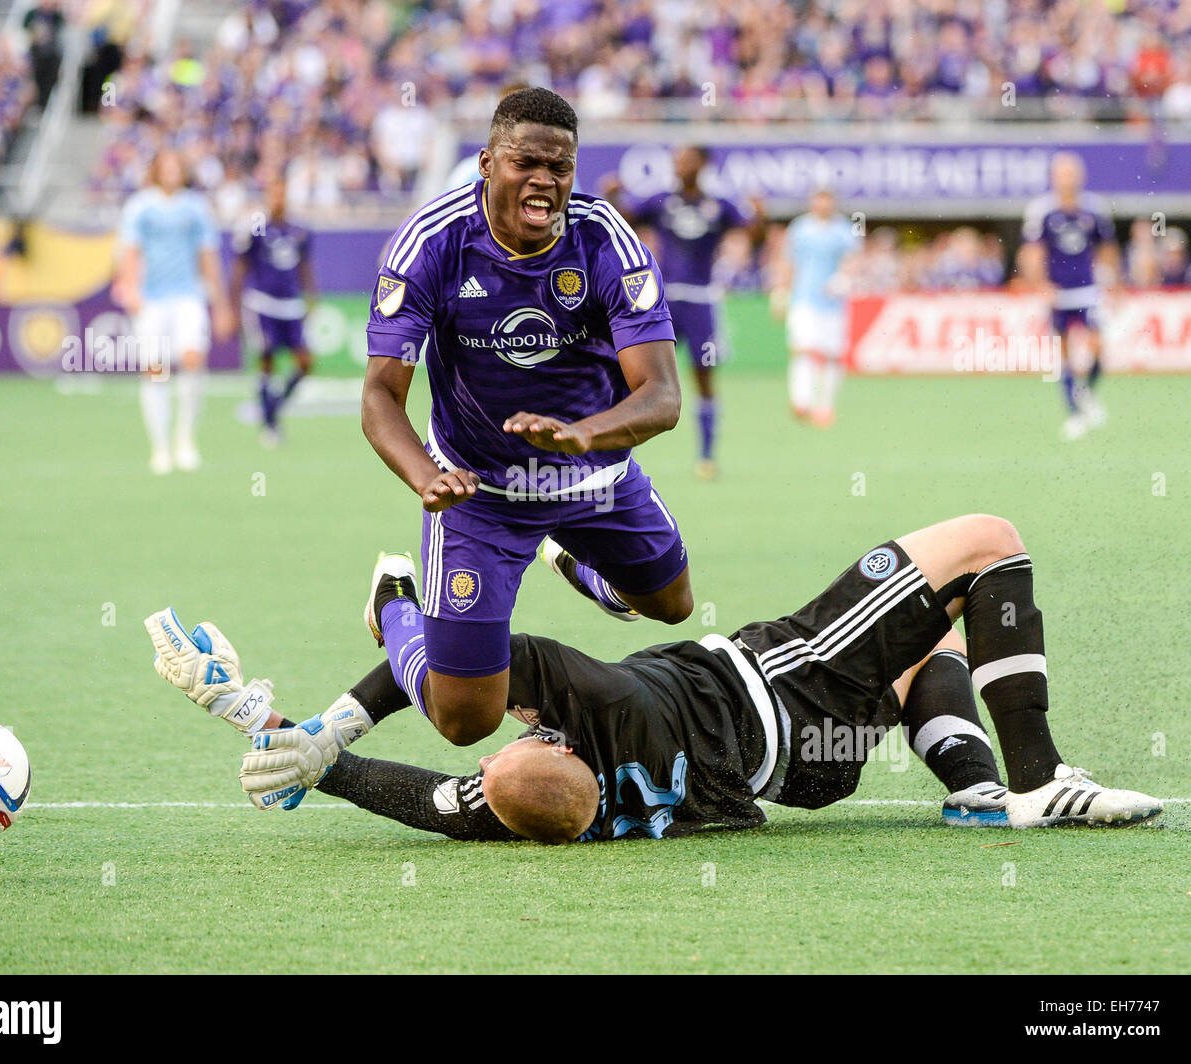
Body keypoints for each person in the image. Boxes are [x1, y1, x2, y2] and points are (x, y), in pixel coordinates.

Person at [147, 513, 1163, 840]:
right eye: (524, 739)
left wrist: (259, 721)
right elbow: (492, 662)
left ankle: (972, 788)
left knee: (929, 648)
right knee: (985, 548)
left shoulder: (571, 809)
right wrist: (383, 642)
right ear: (550, 742)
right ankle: (1030, 779)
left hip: (798, 773)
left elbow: (429, 801)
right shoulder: (610, 708)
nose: (511, 742)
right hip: (787, 680)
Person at [360, 87, 692, 749]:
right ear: (487, 163)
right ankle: (394, 606)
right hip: (480, 494)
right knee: (465, 722)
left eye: (560, 168)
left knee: (671, 606)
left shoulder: (606, 241)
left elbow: (662, 396)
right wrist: (428, 478)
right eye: (525, 163)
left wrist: (584, 436)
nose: (544, 179)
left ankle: (572, 556)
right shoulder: (432, 244)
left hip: (593, 478)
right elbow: (379, 397)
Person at [604, 147, 765, 479]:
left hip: (702, 300)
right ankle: (610, 450)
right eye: (677, 160)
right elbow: (626, 219)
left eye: (687, 160)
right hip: (663, 300)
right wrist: (614, 196)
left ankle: (706, 456)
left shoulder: (718, 204)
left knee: (703, 377)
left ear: (702, 165)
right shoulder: (662, 198)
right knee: (636, 374)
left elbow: (753, 234)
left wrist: (760, 215)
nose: (680, 165)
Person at [113, 148, 235, 474]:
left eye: (176, 166)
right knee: (155, 369)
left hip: (188, 295)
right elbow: (130, 251)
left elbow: (207, 255)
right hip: (152, 298)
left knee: (192, 359)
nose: (171, 171)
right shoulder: (141, 206)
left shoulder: (195, 207)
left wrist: (221, 303)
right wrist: (130, 288)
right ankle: (160, 447)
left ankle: (185, 439)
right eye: (165, 166)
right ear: (156, 169)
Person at [1020, 152, 1119, 442]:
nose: (1068, 179)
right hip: (1059, 293)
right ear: (1054, 178)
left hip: (1089, 290)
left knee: (1098, 349)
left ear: (1081, 176)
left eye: (1072, 173)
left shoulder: (1095, 209)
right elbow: (1032, 252)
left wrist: (1114, 284)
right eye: (1062, 174)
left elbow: (1108, 248)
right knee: (1063, 354)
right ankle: (1074, 414)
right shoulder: (1042, 211)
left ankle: (1085, 392)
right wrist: (1040, 284)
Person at [230, 174, 314, 447]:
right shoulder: (255, 229)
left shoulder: (298, 231)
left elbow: (304, 268)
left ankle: (272, 407)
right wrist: (234, 305)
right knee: (267, 359)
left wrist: (312, 298)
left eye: (283, 193)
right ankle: (270, 425)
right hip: (262, 303)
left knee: (304, 363)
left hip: (291, 305)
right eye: (274, 193)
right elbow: (240, 268)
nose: (279, 198)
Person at [770, 187, 861, 427]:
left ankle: (825, 405)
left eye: (827, 199)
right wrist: (781, 292)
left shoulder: (842, 229)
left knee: (832, 355)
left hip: (833, 304)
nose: (823, 204)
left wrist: (843, 279)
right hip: (804, 300)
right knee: (803, 349)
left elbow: (852, 261)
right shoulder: (800, 228)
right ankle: (801, 401)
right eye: (818, 198)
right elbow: (788, 262)